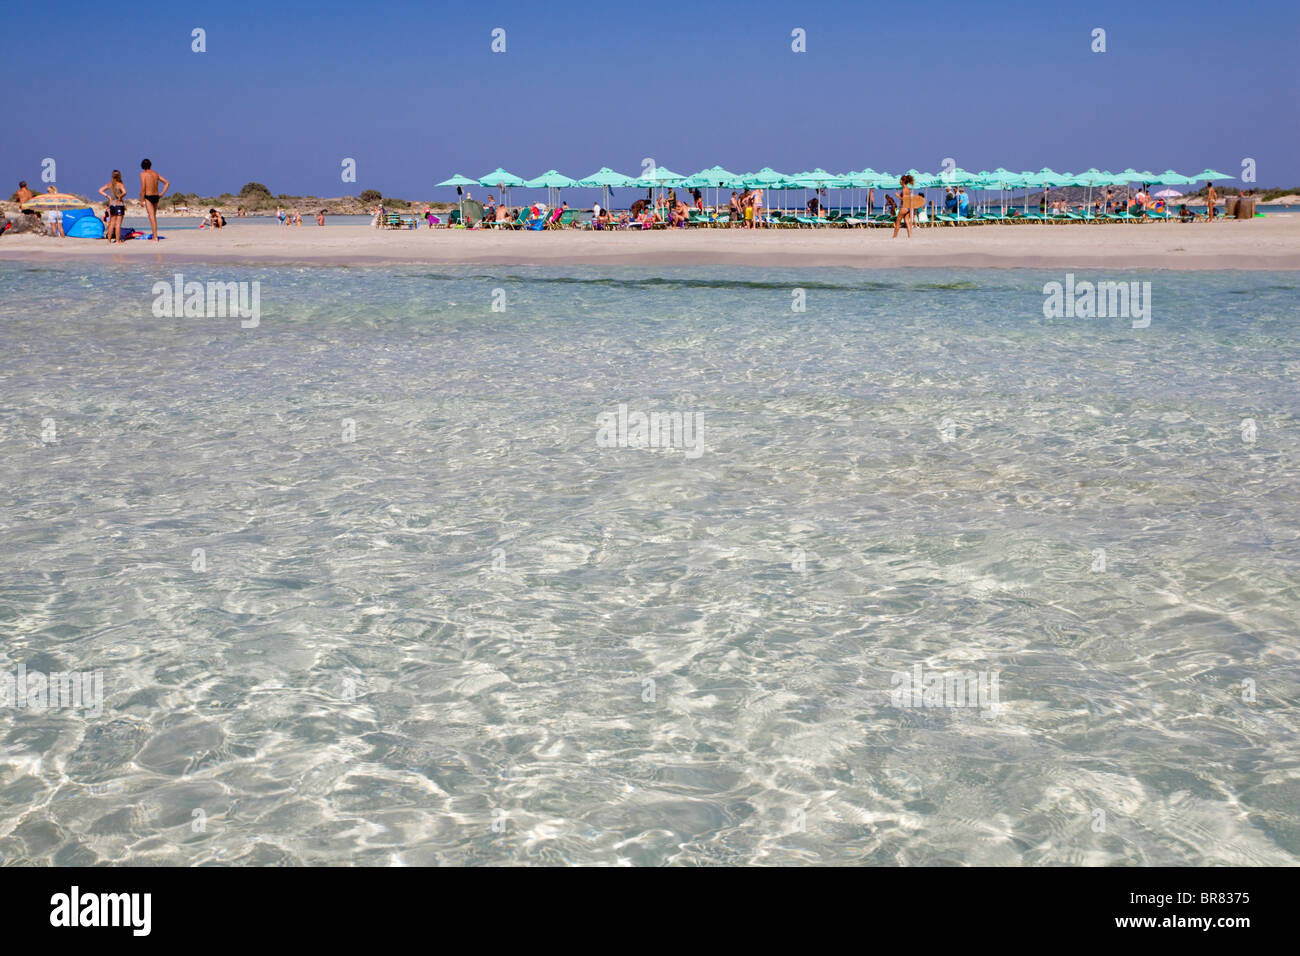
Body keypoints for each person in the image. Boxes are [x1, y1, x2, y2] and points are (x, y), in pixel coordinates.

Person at [138, 158, 169, 241]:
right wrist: (161, 194)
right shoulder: (155, 174)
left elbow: (143, 187)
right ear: (150, 165)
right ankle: (154, 235)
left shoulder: (143, 174)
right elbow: (167, 183)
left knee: (151, 216)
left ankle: (155, 237)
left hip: (148, 196)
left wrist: (141, 200)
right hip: (156, 196)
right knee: (153, 217)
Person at [97, 170, 128, 243]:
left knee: (112, 223)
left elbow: (100, 190)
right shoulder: (120, 184)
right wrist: (120, 196)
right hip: (119, 204)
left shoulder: (109, 184)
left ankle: (109, 240)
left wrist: (108, 196)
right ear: (119, 176)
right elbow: (124, 192)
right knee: (118, 224)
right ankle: (117, 240)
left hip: (112, 204)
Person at [892, 174, 915, 239]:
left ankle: (894, 236)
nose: (899, 181)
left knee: (898, 222)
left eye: (900, 180)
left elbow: (904, 199)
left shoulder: (904, 189)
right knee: (907, 222)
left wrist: (898, 196)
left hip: (904, 207)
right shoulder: (908, 189)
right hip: (908, 208)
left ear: (903, 181)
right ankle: (909, 236)